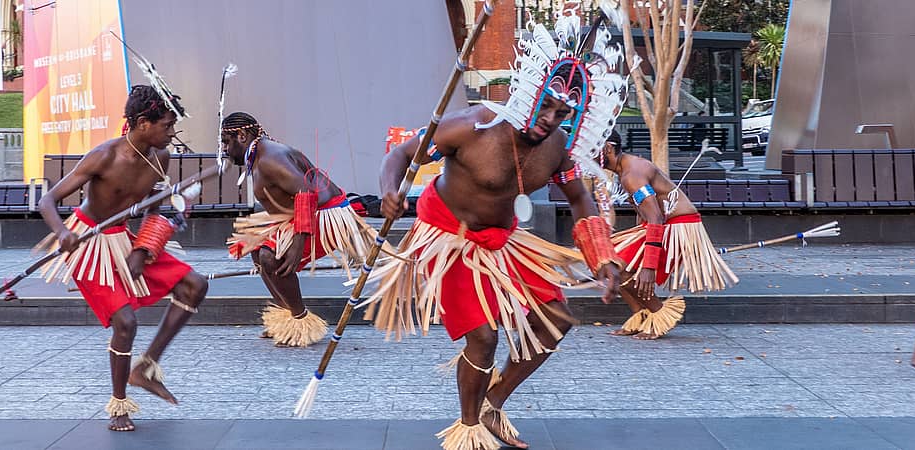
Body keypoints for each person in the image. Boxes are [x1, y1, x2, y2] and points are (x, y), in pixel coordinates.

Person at [361, 22, 627, 450]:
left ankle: (493, 403)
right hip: (448, 235)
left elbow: (579, 198)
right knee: (483, 337)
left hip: (502, 241)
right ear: (529, 92)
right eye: (547, 107)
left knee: (555, 321)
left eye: (563, 114)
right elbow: (401, 153)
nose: (550, 120)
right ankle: (469, 430)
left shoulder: (557, 146)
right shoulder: (472, 126)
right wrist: (389, 192)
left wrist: (602, 257)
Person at [35, 85, 209, 431]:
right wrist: (64, 232)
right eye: (166, 126)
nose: (172, 134)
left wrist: (144, 251)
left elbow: (155, 210)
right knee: (125, 323)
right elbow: (47, 201)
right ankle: (118, 406)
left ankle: (145, 368)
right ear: (143, 123)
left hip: (126, 238)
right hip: (87, 243)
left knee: (194, 285)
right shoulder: (104, 156)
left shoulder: (160, 157)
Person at [221, 112, 381, 348]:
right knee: (256, 247)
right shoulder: (261, 153)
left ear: (242, 136)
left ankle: (300, 321)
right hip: (301, 214)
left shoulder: (269, 158)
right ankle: (285, 317)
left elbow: (306, 193)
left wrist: (298, 240)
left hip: (326, 214)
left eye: (226, 141)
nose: (224, 149)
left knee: (271, 257)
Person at [600, 130, 739, 339]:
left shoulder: (632, 174)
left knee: (621, 266)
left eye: (591, 150)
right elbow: (647, 212)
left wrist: (648, 266)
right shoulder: (626, 170)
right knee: (610, 260)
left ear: (608, 148)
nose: (587, 157)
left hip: (678, 227)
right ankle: (641, 316)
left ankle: (658, 315)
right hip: (664, 224)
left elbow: (656, 218)